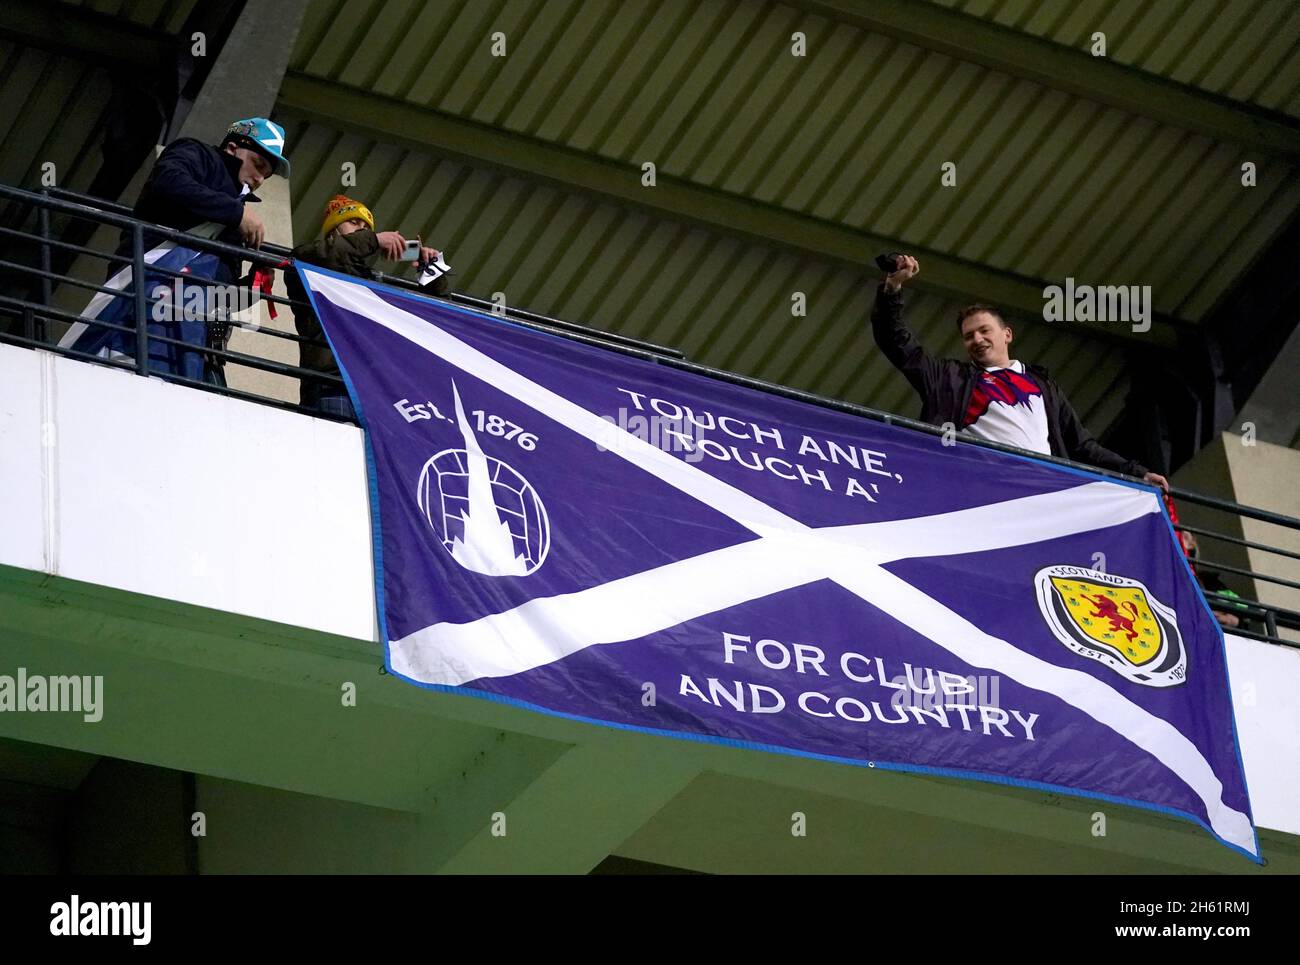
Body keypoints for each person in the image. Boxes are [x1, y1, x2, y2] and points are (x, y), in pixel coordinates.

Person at [871, 254, 1169, 491]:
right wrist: (892, 288)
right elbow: (896, 342)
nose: (976, 340)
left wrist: (1137, 473)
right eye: (968, 336)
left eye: (984, 331)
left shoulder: (1042, 384)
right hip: (981, 490)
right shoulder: (949, 379)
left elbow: (1082, 445)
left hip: (1043, 493)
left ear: (1007, 335)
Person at [59, 118, 291, 385]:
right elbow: (169, 180)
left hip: (198, 338)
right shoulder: (196, 153)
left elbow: (219, 296)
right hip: (146, 310)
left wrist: (254, 288)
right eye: (258, 164)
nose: (260, 178)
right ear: (231, 148)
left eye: (266, 174)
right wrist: (235, 212)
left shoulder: (235, 220)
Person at [286, 194, 448, 419]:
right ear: (333, 230)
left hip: (379, 394)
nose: (362, 230)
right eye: (353, 223)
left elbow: (435, 318)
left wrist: (431, 272)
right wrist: (374, 240)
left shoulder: (371, 285)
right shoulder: (310, 257)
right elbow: (334, 254)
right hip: (333, 385)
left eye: (366, 227)